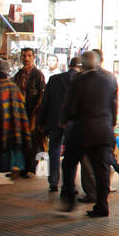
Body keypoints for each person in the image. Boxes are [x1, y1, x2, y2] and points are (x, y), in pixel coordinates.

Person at [59, 49, 119, 218]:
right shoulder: (110, 78)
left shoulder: (78, 80)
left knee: (69, 164)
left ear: (83, 64)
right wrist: (110, 125)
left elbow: (70, 106)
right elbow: (113, 105)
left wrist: (65, 120)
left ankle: (69, 196)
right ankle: (102, 204)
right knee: (101, 170)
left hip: (81, 131)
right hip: (102, 131)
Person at [0, 57, 30, 186]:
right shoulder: (14, 87)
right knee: (13, 147)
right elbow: (21, 107)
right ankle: (15, 166)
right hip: (14, 125)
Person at [37, 57, 82, 193]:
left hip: (54, 120)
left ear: (69, 65)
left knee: (54, 150)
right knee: (71, 152)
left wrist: (40, 122)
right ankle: (69, 183)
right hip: (73, 122)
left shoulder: (54, 79)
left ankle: (53, 182)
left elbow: (45, 103)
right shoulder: (82, 81)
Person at [13, 48, 47, 177]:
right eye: (24, 56)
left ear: (33, 57)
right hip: (20, 112)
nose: (26, 58)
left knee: (33, 140)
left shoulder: (38, 75)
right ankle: (23, 166)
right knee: (22, 140)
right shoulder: (18, 74)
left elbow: (41, 95)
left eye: (28, 56)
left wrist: (37, 113)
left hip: (32, 112)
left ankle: (31, 168)